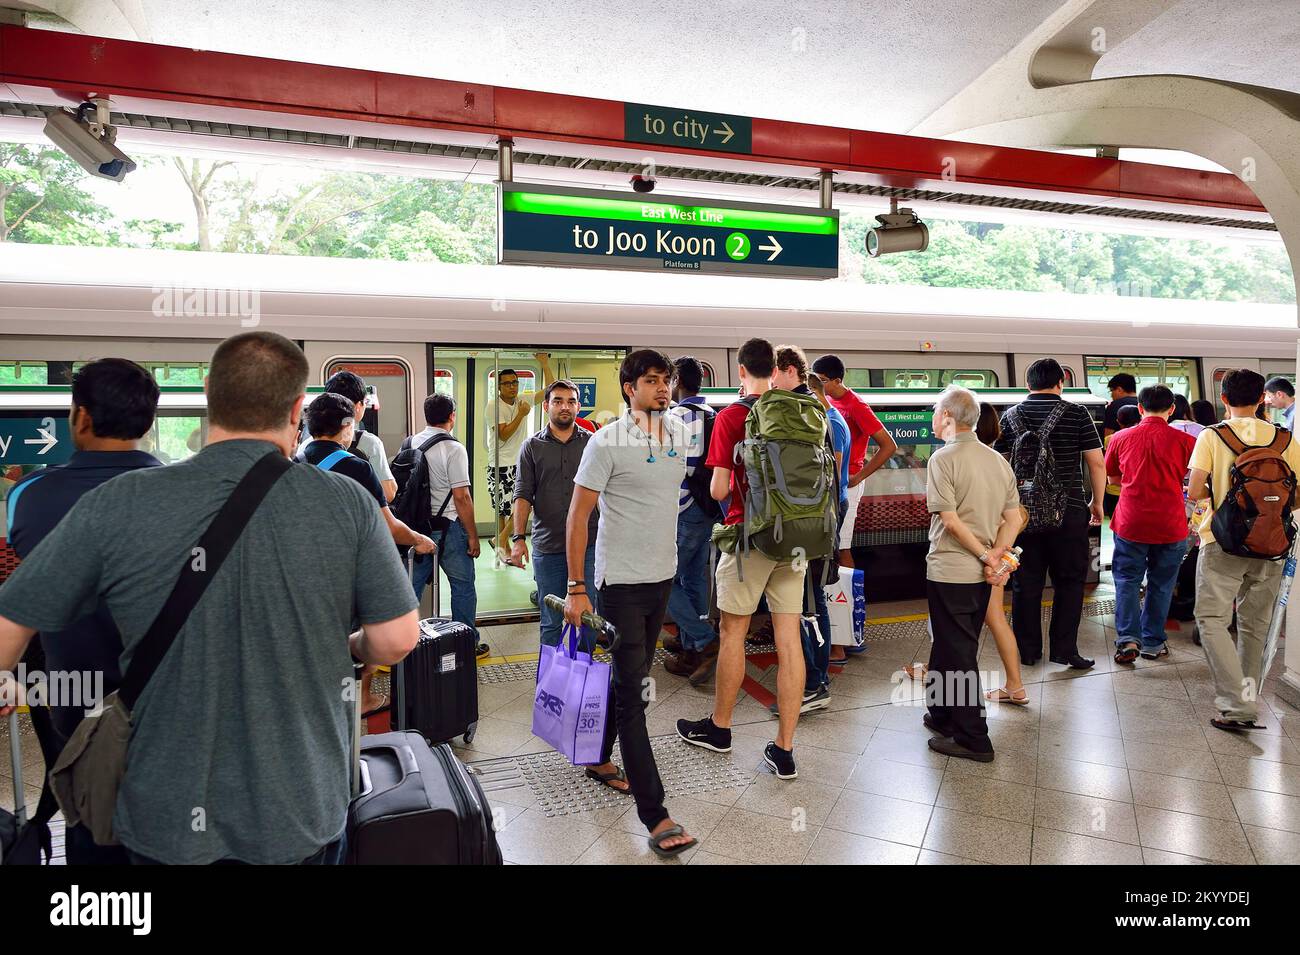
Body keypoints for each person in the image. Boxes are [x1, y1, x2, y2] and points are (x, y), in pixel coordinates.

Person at [0, 331, 420, 864]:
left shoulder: (119, 502)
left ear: (208, 395)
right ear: (297, 408)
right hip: (300, 809)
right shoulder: (345, 503)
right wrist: (355, 647)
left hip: (164, 817)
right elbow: (398, 638)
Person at [4, 358, 162, 864]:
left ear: (80, 417)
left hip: (77, 693)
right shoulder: (178, 493)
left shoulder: (30, 496)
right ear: (149, 422)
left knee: (87, 816)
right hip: (164, 695)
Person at [563, 349, 696, 857]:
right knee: (635, 692)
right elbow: (578, 516)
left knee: (629, 678)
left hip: (662, 576)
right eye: (651, 381)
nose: (663, 389)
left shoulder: (681, 433)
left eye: (667, 380)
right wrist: (577, 588)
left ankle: (597, 758)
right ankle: (656, 814)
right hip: (618, 583)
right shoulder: (605, 441)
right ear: (628, 388)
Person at [677, 338, 809, 781]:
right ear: (776, 370)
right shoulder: (805, 411)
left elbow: (716, 491)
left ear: (739, 372)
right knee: (788, 639)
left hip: (748, 537)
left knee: (733, 632)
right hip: (796, 539)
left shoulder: (733, 416)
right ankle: (785, 750)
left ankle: (720, 729)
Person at [300, 392, 436, 713]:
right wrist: (419, 539)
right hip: (342, 574)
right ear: (347, 426)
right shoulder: (355, 467)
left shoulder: (296, 460)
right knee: (363, 636)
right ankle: (361, 699)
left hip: (303, 570)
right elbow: (387, 525)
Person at [1188, 369, 1300, 732]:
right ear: (1262, 399)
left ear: (1224, 399)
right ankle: (1247, 701)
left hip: (1222, 543)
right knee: (1255, 627)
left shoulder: (1212, 435)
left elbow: (1194, 491)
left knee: (1212, 619)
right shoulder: (1284, 439)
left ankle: (1235, 703)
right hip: (1271, 546)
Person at [923, 386, 1022, 763]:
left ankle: (973, 738)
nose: (934, 418)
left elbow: (949, 520)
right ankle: (942, 715)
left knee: (959, 651)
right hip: (982, 575)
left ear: (948, 416)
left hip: (952, 570)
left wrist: (985, 554)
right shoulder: (997, 460)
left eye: (935, 411)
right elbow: (1013, 517)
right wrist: (998, 556)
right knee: (949, 645)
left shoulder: (943, 460)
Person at [995, 358, 1105, 670]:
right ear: (1060, 383)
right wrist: (1097, 502)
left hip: (1022, 514)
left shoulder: (1011, 416)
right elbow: (1095, 463)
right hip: (1068, 510)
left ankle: (1027, 652)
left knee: (1025, 582)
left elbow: (1001, 466)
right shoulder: (1077, 413)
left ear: (1028, 384)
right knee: (1069, 581)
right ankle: (1065, 650)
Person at [771, 344, 849, 710]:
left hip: (812, 523)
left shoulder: (815, 414)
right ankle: (815, 681)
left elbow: (822, 478)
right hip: (817, 520)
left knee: (809, 602)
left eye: (774, 372)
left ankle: (816, 683)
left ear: (789, 370)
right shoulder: (822, 412)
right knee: (809, 600)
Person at [1105, 386, 1198, 664]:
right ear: (1171, 409)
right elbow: (1191, 481)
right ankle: (1154, 643)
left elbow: (1112, 479)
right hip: (1170, 523)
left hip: (1131, 521)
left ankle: (1128, 641)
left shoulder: (1120, 438)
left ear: (1140, 408)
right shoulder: (1185, 442)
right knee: (1161, 584)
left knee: (1127, 580)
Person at [509, 379, 599, 649]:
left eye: (571, 401)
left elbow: (606, 493)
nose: (565, 407)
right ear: (547, 406)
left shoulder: (593, 444)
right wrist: (518, 538)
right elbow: (523, 494)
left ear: (578, 407)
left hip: (589, 546)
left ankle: (584, 683)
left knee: (588, 619)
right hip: (548, 547)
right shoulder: (532, 447)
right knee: (550, 621)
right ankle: (549, 684)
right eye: (558, 401)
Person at [409, 394, 486, 657]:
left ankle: (398, 643)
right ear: (452, 415)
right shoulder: (453, 448)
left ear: (426, 415)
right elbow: (461, 497)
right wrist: (473, 537)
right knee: (462, 586)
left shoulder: (410, 443)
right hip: (451, 528)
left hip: (418, 531)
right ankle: (466, 643)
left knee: (410, 590)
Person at [810, 355, 898, 574]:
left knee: (842, 546)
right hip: (831, 480)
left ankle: (849, 602)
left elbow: (889, 445)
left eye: (822, 381)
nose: (816, 386)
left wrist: (858, 477)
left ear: (838, 381)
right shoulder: (826, 401)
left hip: (848, 483)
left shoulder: (856, 405)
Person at [663, 356, 722, 685]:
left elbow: (673, 469)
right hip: (708, 508)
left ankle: (703, 639)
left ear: (676, 382)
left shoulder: (675, 416)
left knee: (663, 579)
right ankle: (690, 648)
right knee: (695, 580)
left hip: (683, 510)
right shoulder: (713, 415)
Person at [486, 356, 552, 562]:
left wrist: (544, 364)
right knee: (502, 509)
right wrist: (522, 415)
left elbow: (551, 390)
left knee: (524, 502)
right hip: (499, 463)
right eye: (507, 383)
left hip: (519, 462)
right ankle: (502, 549)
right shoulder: (493, 405)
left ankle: (501, 538)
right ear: (499, 387)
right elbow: (503, 434)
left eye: (515, 382)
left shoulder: (523, 399)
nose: (512, 387)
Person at [300, 369, 397, 501]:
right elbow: (388, 493)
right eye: (365, 402)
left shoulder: (306, 445)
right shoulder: (369, 443)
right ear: (357, 406)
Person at [1103, 372, 1139, 441]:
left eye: (1111, 391)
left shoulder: (1114, 405)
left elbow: (1108, 436)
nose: (1111, 395)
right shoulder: (1146, 404)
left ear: (1119, 390)